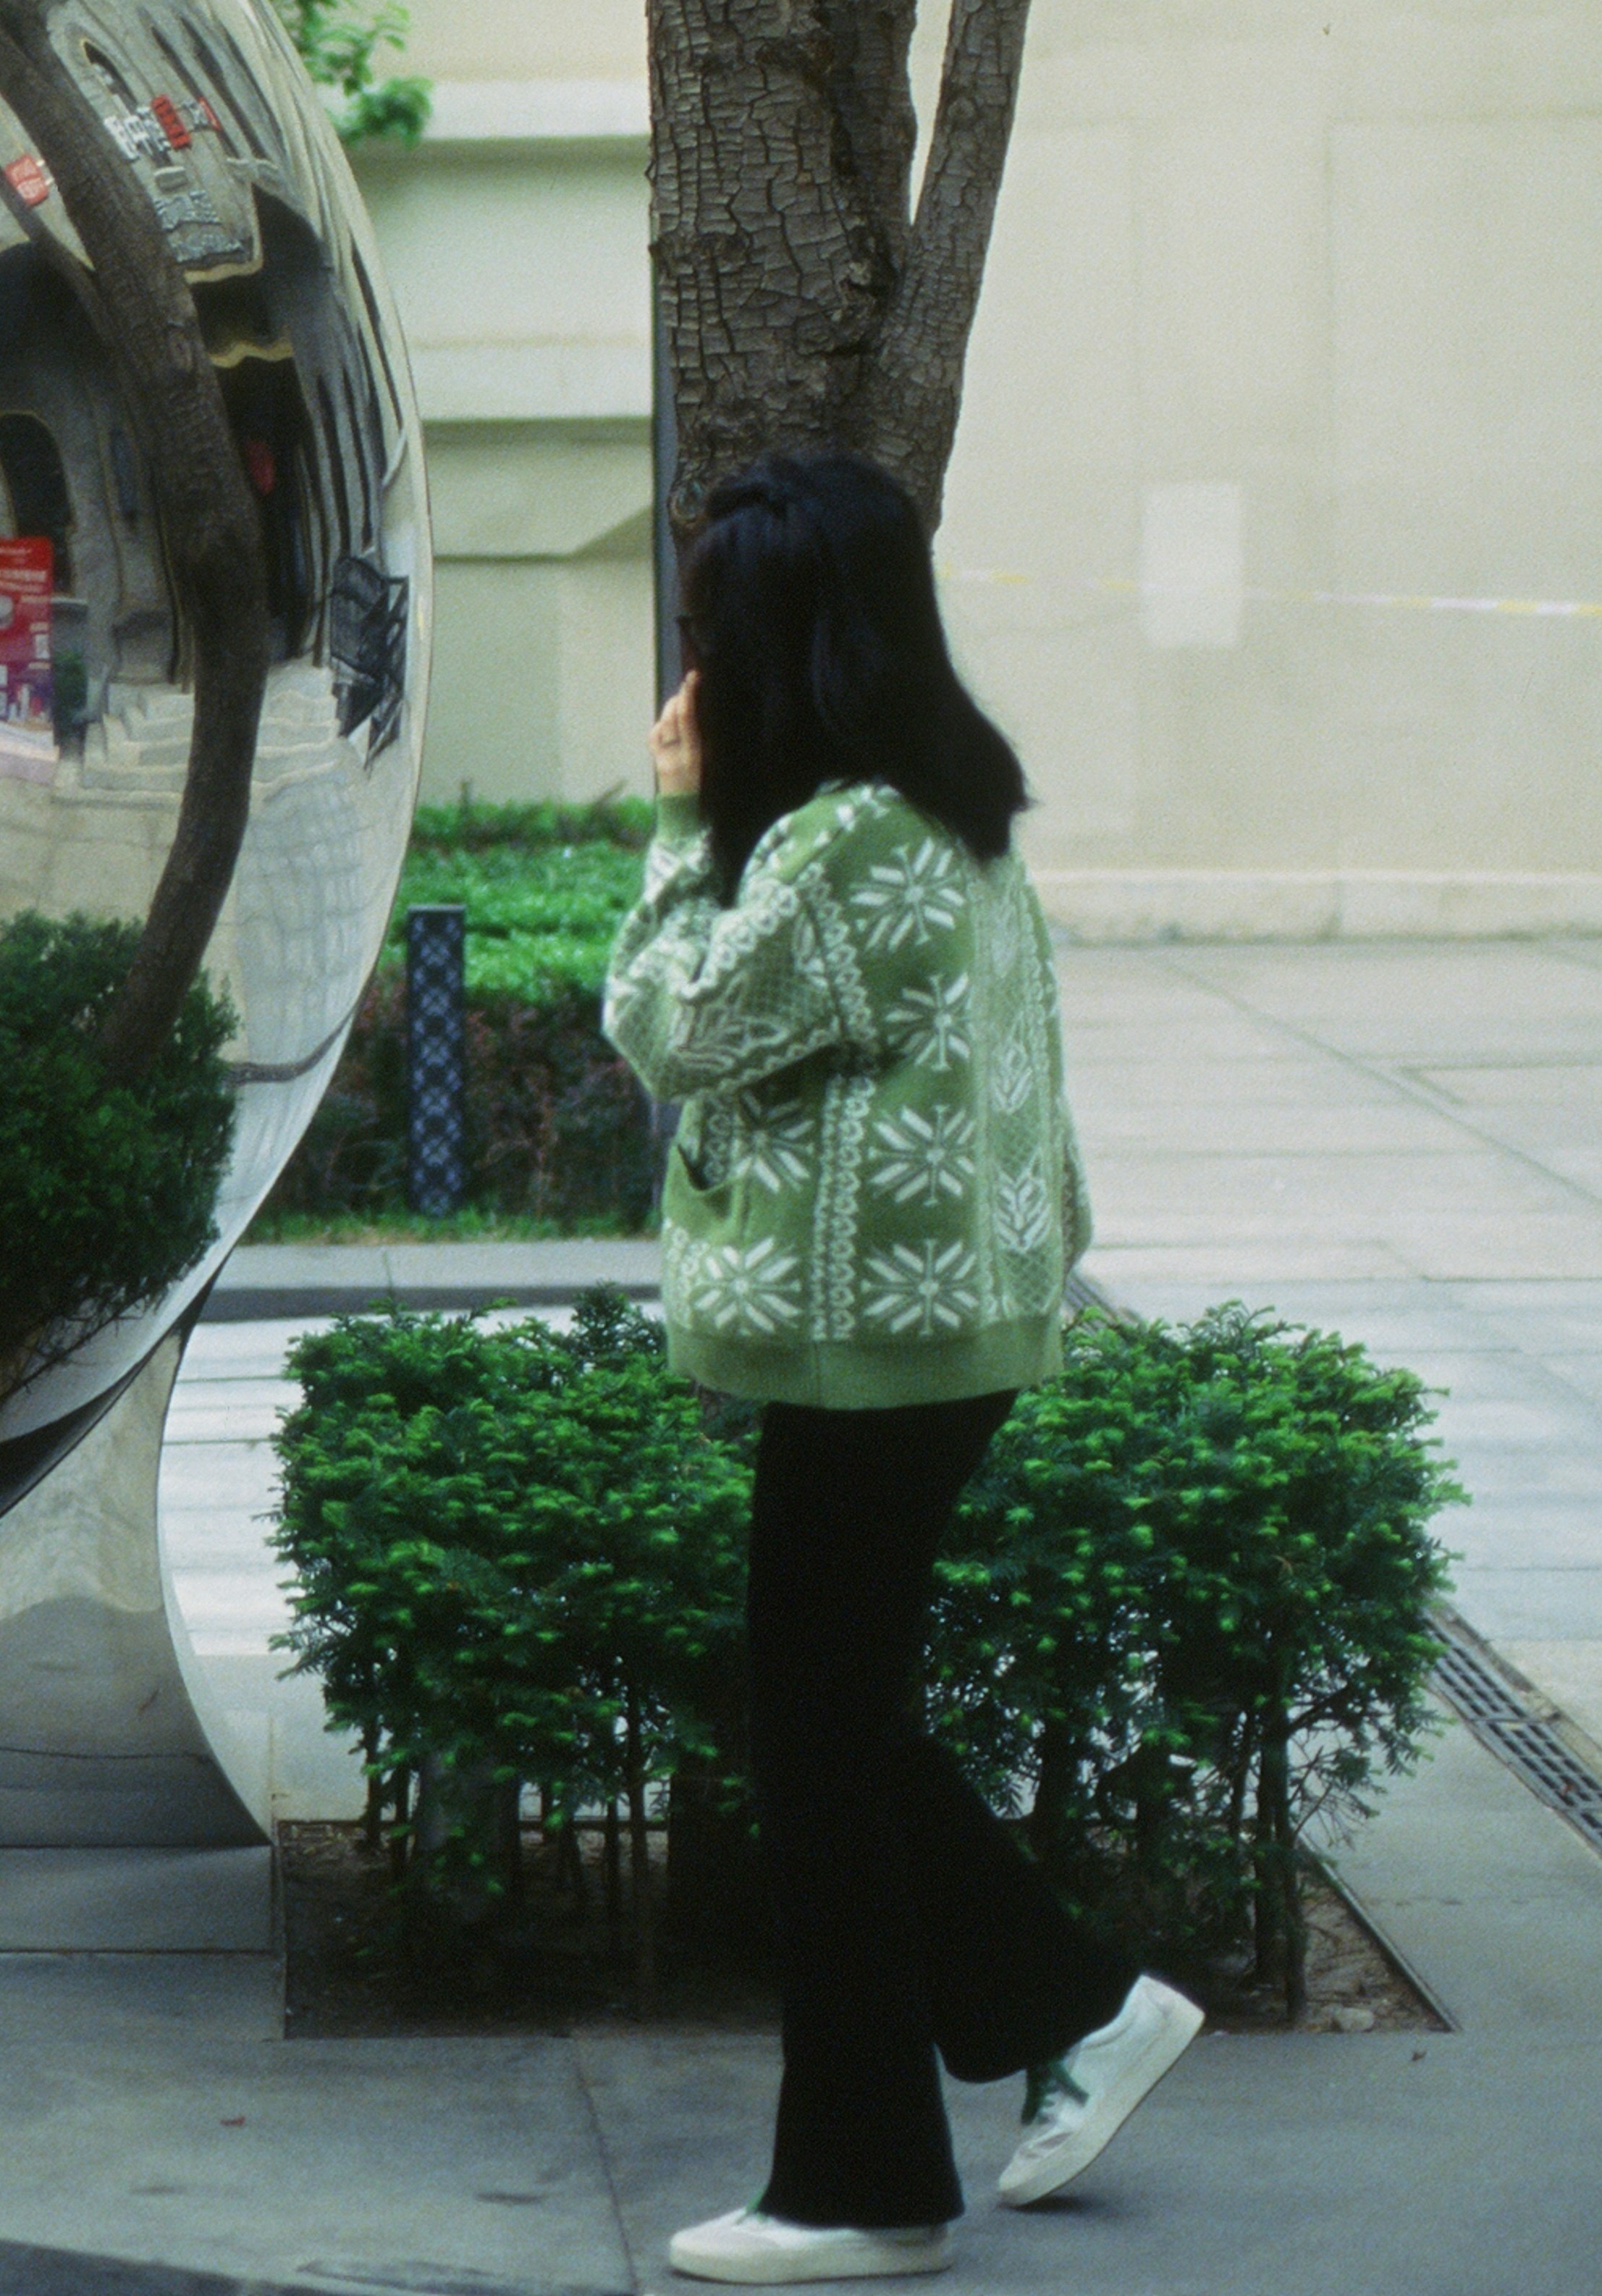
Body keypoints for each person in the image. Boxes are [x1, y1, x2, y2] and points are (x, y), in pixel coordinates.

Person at [604, 451, 1195, 2288]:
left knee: (813, 1749)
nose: (692, 670)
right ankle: (1075, 2006)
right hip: (945, 1336)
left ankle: (864, 2189)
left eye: (712, 633)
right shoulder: (952, 805)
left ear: (785, 640)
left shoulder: (843, 837)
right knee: (829, 1723)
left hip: (876, 1349)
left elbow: (670, 1024)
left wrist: (669, 819)